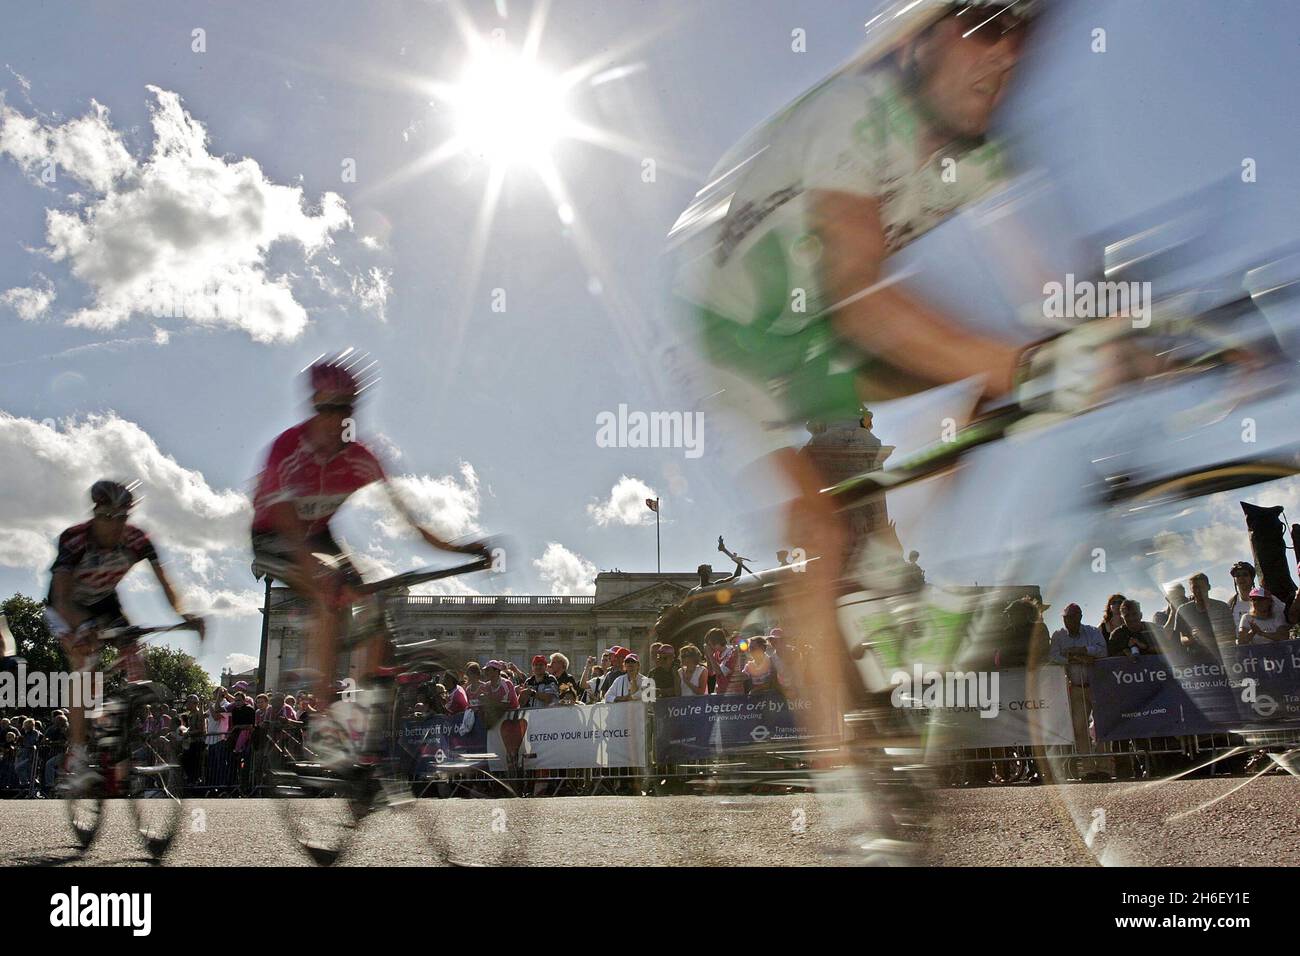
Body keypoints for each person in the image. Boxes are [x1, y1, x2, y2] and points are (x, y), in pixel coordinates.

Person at [672, 0, 1041, 729]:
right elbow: (863, 298)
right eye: (986, 25)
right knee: (818, 524)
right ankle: (842, 785)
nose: (1008, 53)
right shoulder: (857, 113)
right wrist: (1019, 356)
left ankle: (898, 578)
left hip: (819, 333)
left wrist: (1158, 336)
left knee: (1001, 374)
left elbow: (1048, 287)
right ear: (925, 39)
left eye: (1024, 31)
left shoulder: (985, 151)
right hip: (732, 326)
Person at [249, 353, 490, 757]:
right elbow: (287, 521)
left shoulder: (362, 457)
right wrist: (316, 571)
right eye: (329, 409)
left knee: (375, 604)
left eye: (348, 408)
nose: (339, 418)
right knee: (331, 596)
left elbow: (411, 523)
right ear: (315, 409)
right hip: (274, 533)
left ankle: (361, 726)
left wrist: (460, 548)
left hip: (321, 535)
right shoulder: (288, 447)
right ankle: (325, 720)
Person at [44, 479, 206, 783]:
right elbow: (63, 597)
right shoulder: (75, 539)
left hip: (105, 602)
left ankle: (118, 739)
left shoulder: (137, 539)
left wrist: (184, 614)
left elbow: (165, 583)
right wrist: (81, 629)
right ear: (95, 514)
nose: (116, 525)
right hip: (66, 605)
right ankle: (77, 754)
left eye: (123, 517)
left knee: (134, 656)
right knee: (83, 667)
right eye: (109, 517)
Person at [1048, 604, 1107, 758]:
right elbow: (1054, 656)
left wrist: (1084, 650)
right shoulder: (1058, 635)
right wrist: (1074, 658)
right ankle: (1087, 766)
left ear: (1079, 617)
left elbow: (1102, 651)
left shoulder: (1093, 632)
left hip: (1096, 685)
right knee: (1080, 727)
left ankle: (1104, 765)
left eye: (1071, 617)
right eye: (1065, 618)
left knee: (1102, 726)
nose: (1068, 621)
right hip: (1075, 687)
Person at [1171, 572, 1235, 661]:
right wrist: (1192, 639)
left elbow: (1231, 637)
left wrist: (1205, 639)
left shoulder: (1222, 607)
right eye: (1195, 587)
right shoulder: (1183, 610)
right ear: (1191, 589)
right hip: (1195, 660)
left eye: (1201, 587)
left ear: (1208, 587)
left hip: (1223, 658)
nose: (1199, 590)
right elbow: (1181, 639)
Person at [1227, 561, 1288, 632]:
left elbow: (1288, 619)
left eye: (1245, 575)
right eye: (1237, 576)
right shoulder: (1231, 604)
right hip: (1244, 642)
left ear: (1252, 578)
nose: (1241, 578)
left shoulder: (1267, 598)